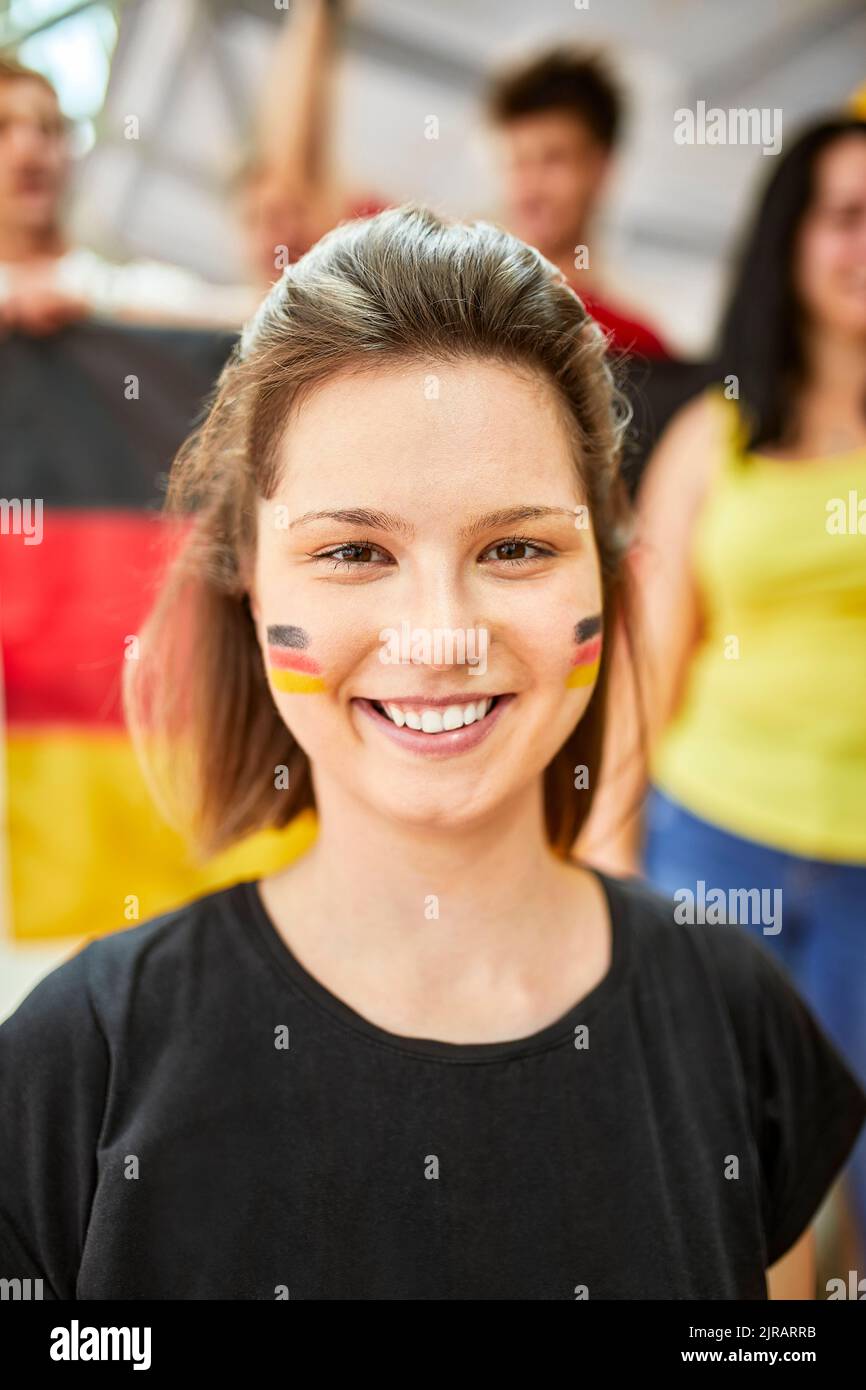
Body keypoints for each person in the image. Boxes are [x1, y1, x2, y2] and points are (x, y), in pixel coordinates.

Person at [0, 206, 863, 1300]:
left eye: (515, 546)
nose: (442, 633)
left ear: (602, 570)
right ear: (248, 579)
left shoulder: (740, 1022)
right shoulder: (69, 1069)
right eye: (354, 550)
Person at [577, 118, 866, 1259]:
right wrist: (606, 856)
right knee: (735, 1198)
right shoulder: (715, 432)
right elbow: (646, 657)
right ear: (789, 241)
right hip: (710, 843)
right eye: (845, 216)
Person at [0, 54, 258, 333]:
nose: (29, 151)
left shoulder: (121, 287)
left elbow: (246, 313)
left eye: (49, 128)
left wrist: (96, 308)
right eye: (1, 128)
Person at [486, 46, 668, 358]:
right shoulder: (468, 306)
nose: (529, 189)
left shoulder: (636, 347)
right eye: (518, 162)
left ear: (601, 169)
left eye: (553, 160)